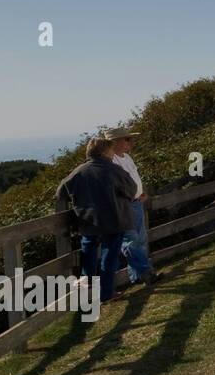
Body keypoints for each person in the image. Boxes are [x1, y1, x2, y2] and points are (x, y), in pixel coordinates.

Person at [55, 135, 137, 303]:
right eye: (110, 150)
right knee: (109, 257)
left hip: (88, 220)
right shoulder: (114, 170)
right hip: (114, 220)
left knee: (89, 250)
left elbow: (60, 193)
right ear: (105, 152)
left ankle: (87, 281)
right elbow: (131, 189)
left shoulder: (78, 172)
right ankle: (106, 294)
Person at [106, 127, 160, 286]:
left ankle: (137, 276)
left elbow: (133, 178)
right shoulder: (110, 161)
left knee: (141, 239)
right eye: (127, 139)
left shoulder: (127, 157)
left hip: (136, 203)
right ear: (114, 142)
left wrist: (140, 193)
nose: (131, 142)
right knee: (130, 241)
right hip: (124, 206)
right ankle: (147, 272)